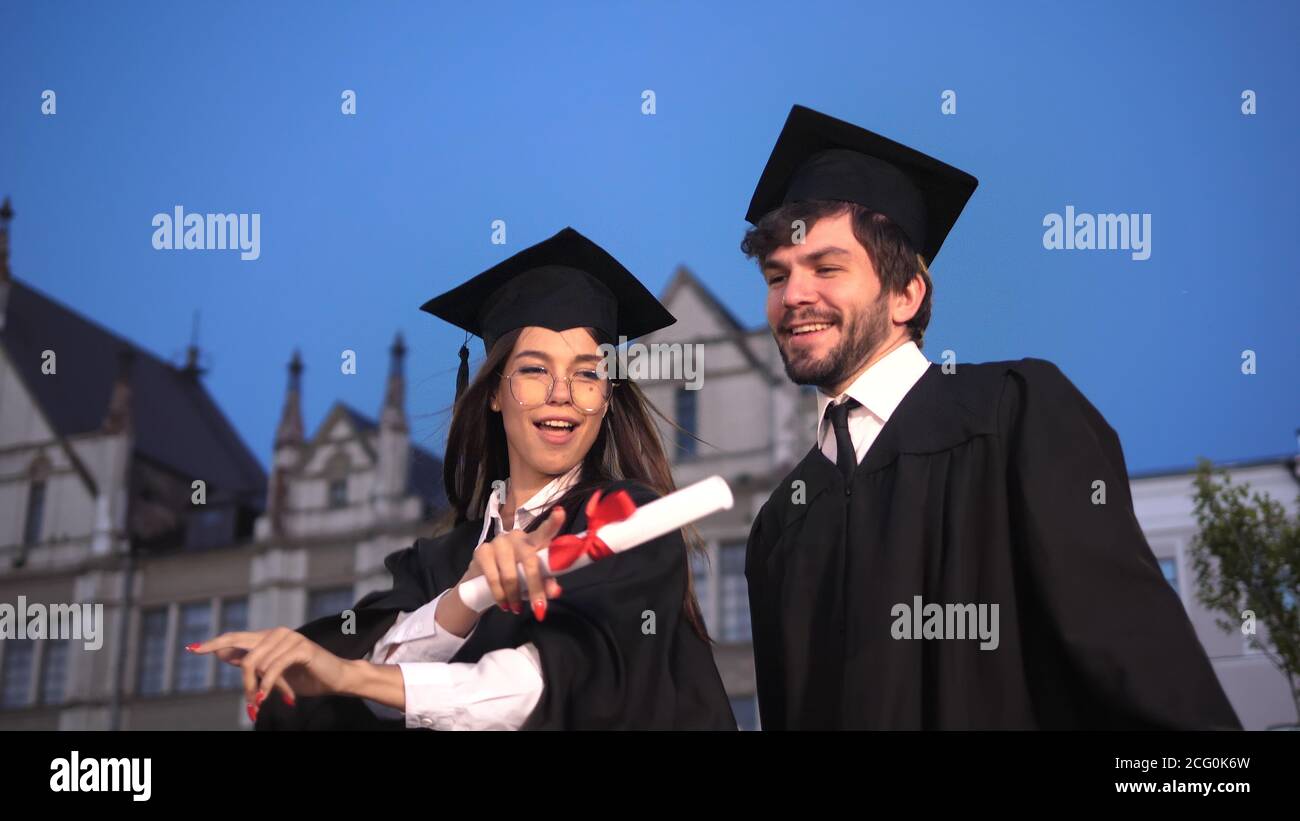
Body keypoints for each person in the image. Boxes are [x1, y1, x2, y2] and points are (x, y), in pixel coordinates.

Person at [741, 105, 1241, 730]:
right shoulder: (782, 522)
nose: (793, 297)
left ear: (906, 296)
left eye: (827, 268)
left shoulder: (1014, 415)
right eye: (776, 276)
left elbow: (1137, 663)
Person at [192, 227, 736, 730]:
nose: (562, 393)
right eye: (534, 369)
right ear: (495, 392)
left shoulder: (627, 524)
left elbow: (534, 689)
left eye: (588, 374)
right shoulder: (439, 561)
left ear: (606, 400)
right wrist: (466, 597)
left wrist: (350, 674)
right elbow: (360, 695)